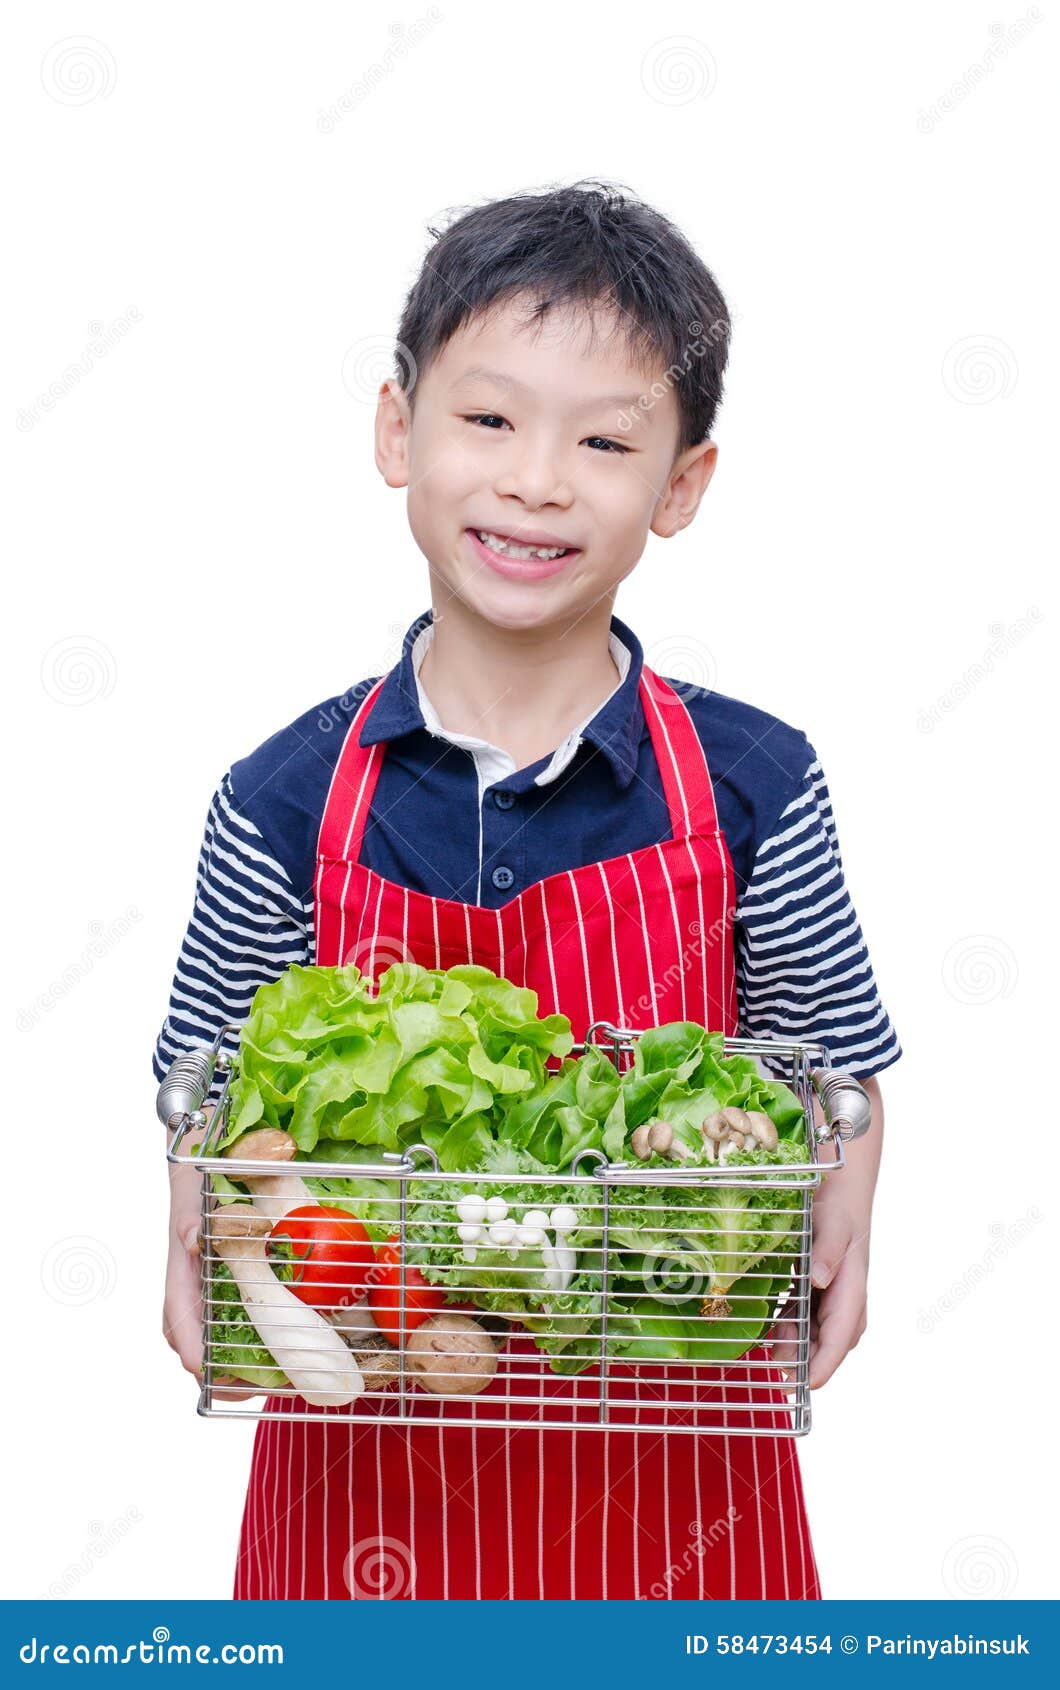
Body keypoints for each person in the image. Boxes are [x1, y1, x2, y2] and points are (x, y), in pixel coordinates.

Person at [157, 181, 901, 1600]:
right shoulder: (284, 795)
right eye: (489, 419)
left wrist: (843, 1222)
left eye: (604, 440)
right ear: (398, 430)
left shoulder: (754, 780)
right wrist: (200, 1250)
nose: (538, 480)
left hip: (679, 1463)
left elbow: (835, 1071)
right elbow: (204, 1089)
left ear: (681, 485)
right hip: (362, 1446)